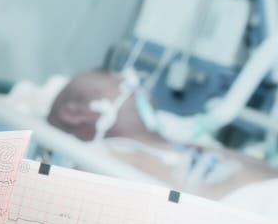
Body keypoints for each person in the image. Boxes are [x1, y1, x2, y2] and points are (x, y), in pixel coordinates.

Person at [47, 70, 278, 206]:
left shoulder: (176, 138)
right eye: (113, 79)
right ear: (75, 113)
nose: (131, 81)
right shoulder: (103, 159)